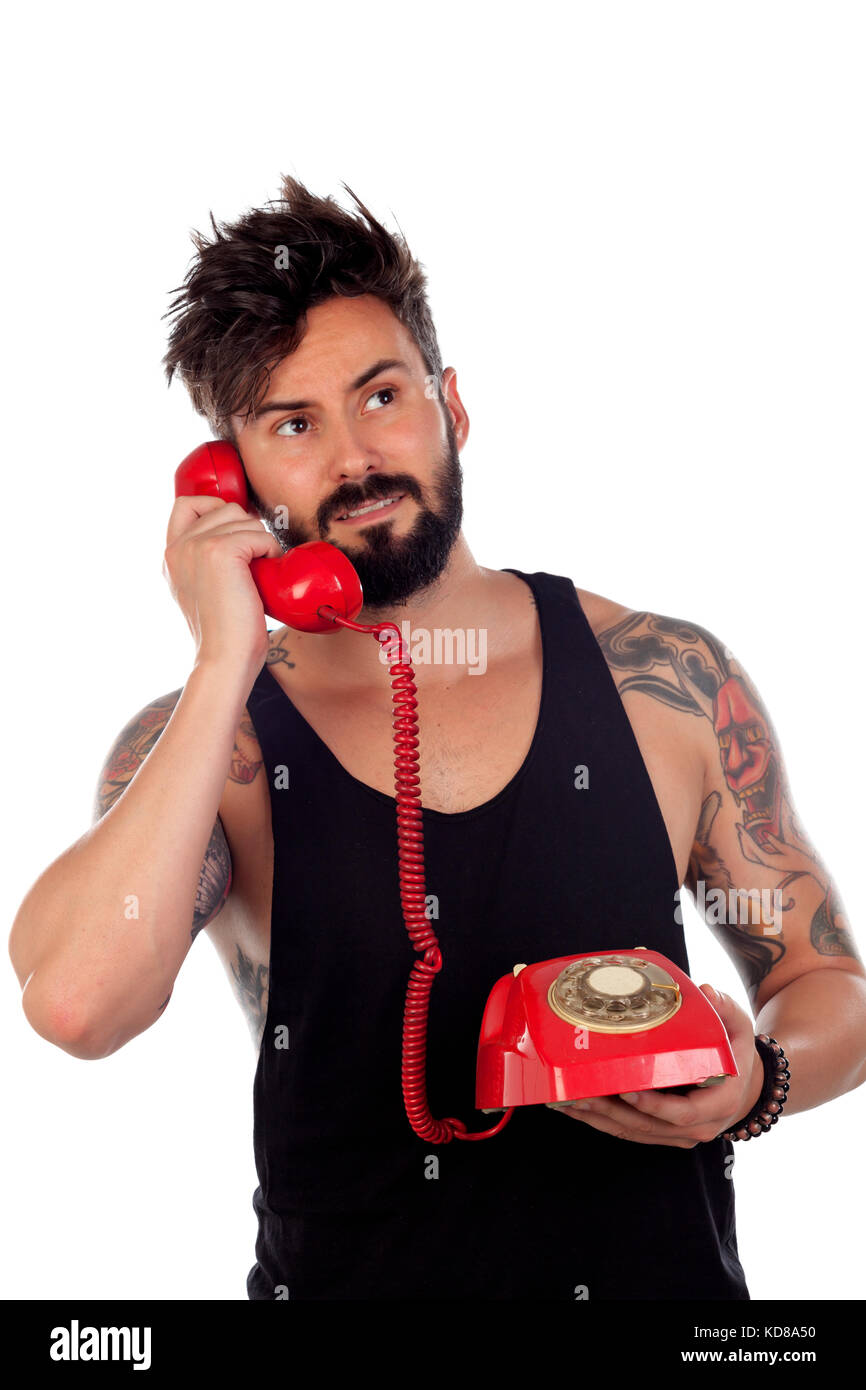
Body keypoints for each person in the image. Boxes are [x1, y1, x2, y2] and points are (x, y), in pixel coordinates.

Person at [10, 175, 866, 1301]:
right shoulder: (209, 746)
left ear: (451, 406)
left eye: (380, 396)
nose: (354, 459)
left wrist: (759, 1081)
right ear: (232, 483)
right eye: (292, 425)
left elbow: (823, 981)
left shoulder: (663, 679)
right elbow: (76, 1006)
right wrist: (222, 660)